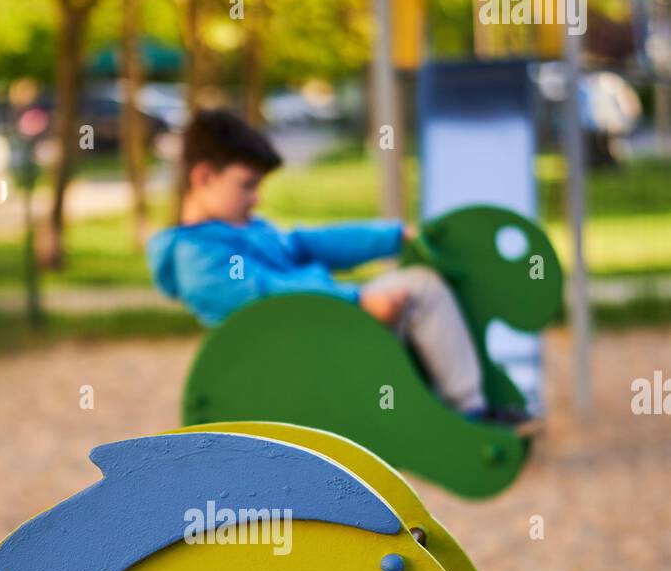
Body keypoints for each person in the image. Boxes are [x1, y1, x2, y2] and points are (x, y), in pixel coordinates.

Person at [147, 109, 532, 425]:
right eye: (247, 185)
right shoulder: (196, 258)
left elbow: (310, 243)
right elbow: (264, 297)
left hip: (317, 329)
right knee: (421, 289)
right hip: (300, 349)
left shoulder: (245, 231)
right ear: (203, 177)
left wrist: (392, 236)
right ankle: (468, 415)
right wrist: (355, 301)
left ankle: (449, 403)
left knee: (418, 287)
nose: (256, 199)